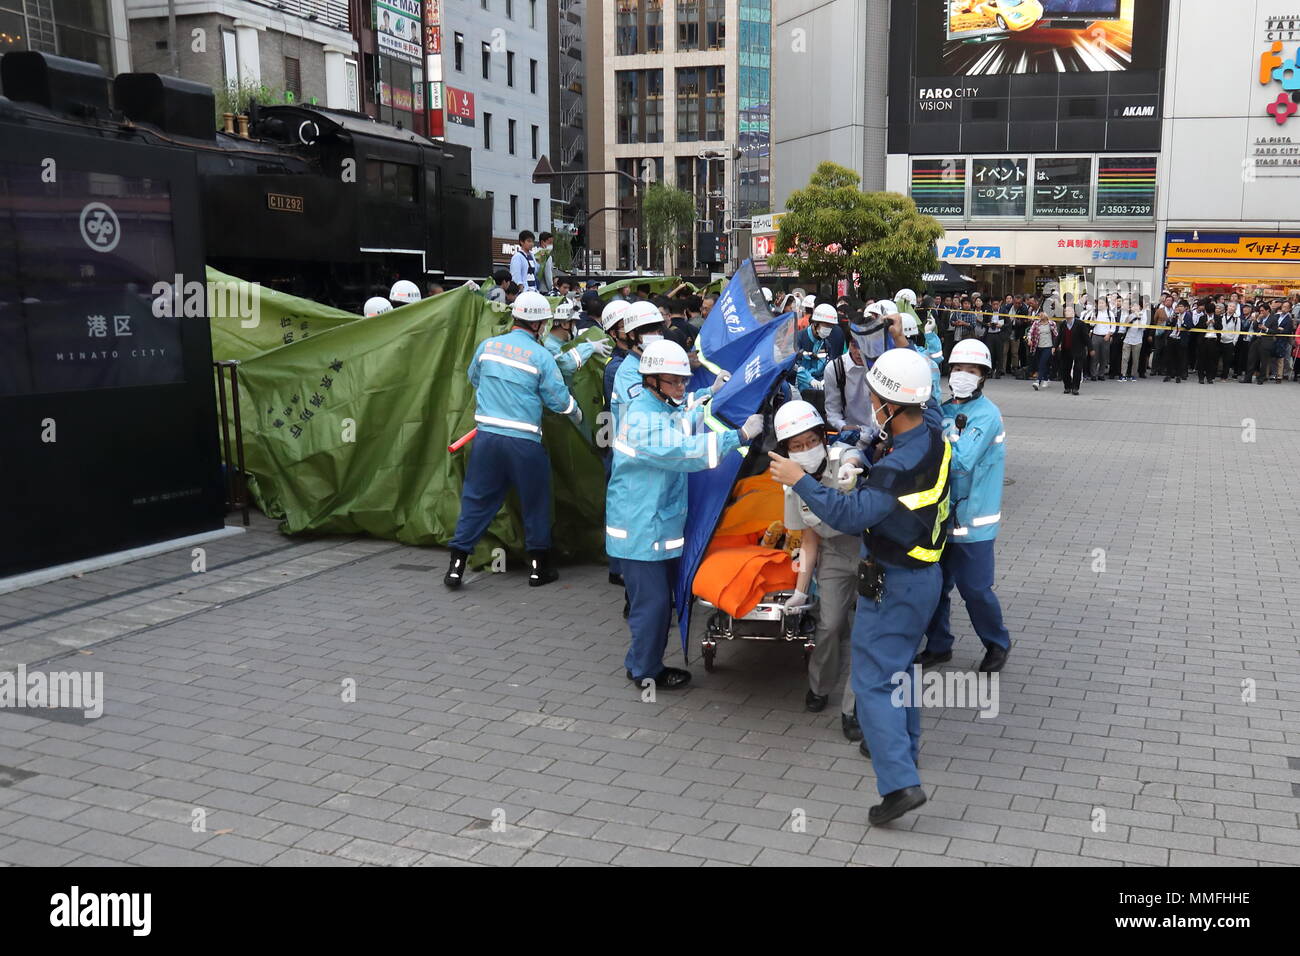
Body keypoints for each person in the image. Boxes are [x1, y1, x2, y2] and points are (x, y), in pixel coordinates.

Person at [768, 346, 949, 826]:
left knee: (871, 682)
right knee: (904, 671)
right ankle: (904, 751)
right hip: (926, 578)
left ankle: (899, 786)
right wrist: (867, 471)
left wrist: (798, 480)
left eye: (873, 398)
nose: (870, 406)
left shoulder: (896, 467)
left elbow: (850, 514)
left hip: (893, 582)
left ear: (890, 406)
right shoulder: (932, 438)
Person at [608, 340, 763, 691]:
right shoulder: (642, 418)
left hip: (652, 525)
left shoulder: (657, 408)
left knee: (657, 603)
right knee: (654, 607)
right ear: (650, 380)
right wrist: (736, 437)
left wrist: (712, 392)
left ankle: (639, 662)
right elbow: (679, 450)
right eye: (673, 382)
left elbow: (682, 420)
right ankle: (647, 672)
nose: (681, 388)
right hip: (640, 530)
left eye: (683, 381)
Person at [444, 291, 582, 590]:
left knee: (477, 501)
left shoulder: (487, 346)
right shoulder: (542, 356)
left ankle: (456, 566)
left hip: (487, 437)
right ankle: (538, 569)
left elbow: (474, 378)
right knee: (535, 502)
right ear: (538, 324)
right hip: (523, 442)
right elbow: (558, 401)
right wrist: (577, 411)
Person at [916, 339, 1011, 673]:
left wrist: (930, 444)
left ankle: (997, 643)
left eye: (971, 371)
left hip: (974, 523)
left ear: (983, 376)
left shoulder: (986, 416)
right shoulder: (945, 409)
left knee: (976, 590)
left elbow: (961, 462)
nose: (962, 375)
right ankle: (939, 646)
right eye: (958, 369)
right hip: (941, 519)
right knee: (935, 589)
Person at [774, 401, 863, 742]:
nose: (805, 450)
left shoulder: (842, 460)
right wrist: (800, 589)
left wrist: (854, 467)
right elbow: (809, 538)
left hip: (870, 549)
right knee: (829, 626)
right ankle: (819, 686)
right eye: (796, 446)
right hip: (834, 555)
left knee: (865, 632)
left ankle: (852, 708)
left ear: (823, 438)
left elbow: (856, 455)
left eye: (811, 441)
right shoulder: (792, 484)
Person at [544, 300, 611, 387]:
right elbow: (567, 365)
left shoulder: (562, 342)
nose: (576, 327)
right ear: (564, 324)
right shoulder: (549, 346)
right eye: (574, 324)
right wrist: (590, 347)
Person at [1055, 306, 1088, 395]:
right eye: (1066, 311)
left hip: (1078, 350)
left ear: (1073, 313)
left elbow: (1086, 337)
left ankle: (1075, 388)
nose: (1067, 312)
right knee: (1065, 369)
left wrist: (1090, 348)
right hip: (1066, 349)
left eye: (1069, 310)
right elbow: (1059, 337)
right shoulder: (1063, 324)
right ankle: (1067, 386)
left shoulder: (1080, 324)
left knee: (1077, 369)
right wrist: (1055, 346)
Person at [1028, 309, 1057, 391]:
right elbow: (1030, 332)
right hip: (1038, 346)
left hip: (1048, 347)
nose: (1041, 315)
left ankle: (1038, 381)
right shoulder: (1036, 323)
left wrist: (1057, 345)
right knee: (1044, 364)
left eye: (1043, 313)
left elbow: (1056, 335)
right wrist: (1029, 339)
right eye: (1040, 313)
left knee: (1042, 363)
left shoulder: (1052, 324)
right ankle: (1046, 378)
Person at [1089, 297, 1115, 382]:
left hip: (1105, 337)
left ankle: (1101, 374)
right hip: (1096, 336)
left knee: (1104, 357)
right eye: (1099, 303)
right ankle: (1093, 374)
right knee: (1094, 356)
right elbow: (1091, 325)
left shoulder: (1110, 313)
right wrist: (1093, 320)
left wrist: (1109, 334)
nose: (1100, 304)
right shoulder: (1095, 313)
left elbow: (1113, 326)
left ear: (1106, 304)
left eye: (1102, 303)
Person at [1119, 299, 1145, 381]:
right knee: (1125, 358)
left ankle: (1133, 374)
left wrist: (1138, 317)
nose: (1134, 307)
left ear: (1140, 307)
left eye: (1136, 306)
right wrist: (1132, 317)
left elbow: (1143, 327)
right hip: (1127, 339)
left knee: (1135, 359)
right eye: (1133, 306)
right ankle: (1123, 374)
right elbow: (1124, 325)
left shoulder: (1143, 315)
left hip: (1137, 340)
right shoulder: (1129, 315)